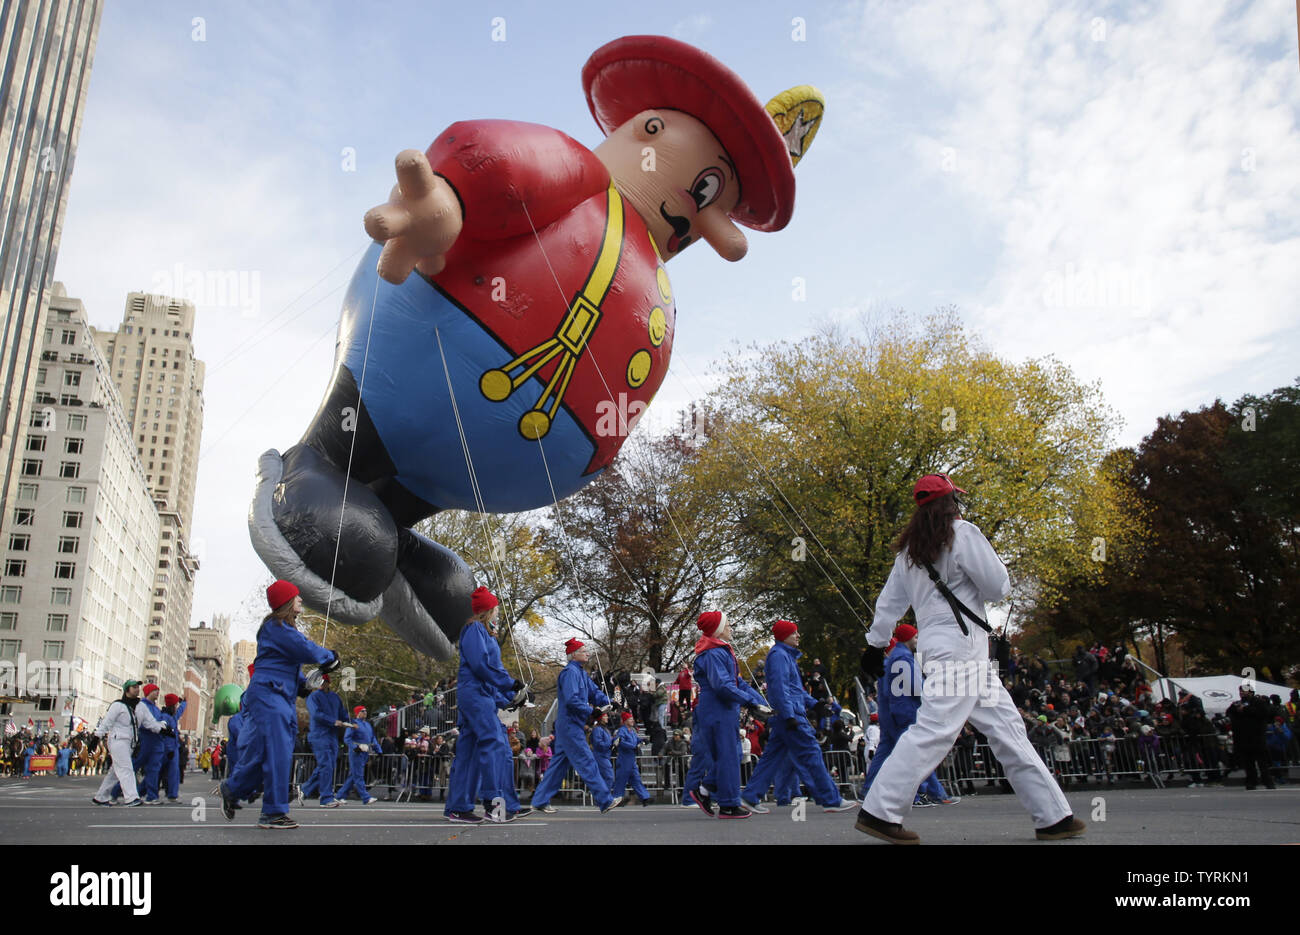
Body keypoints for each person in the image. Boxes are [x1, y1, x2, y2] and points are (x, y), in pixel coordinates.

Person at [856, 473, 1083, 844]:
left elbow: (889, 604)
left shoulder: (909, 552)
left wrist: (875, 643)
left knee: (1008, 730)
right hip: (965, 648)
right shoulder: (963, 534)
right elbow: (998, 587)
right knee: (935, 729)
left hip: (940, 646)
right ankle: (880, 811)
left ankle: (1053, 816)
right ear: (951, 502)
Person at [220, 580, 339, 830]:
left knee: (261, 754)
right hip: (270, 697)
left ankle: (232, 788)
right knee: (277, 752)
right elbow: (303, 648)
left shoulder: (279, 630)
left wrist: (303, 685)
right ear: (286, 601)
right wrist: (329, 657)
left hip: (275, 696)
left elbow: (284, 663)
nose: (301, 600)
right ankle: (273, 813)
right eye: (297, 597)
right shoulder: (277, 627)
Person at [740, 620, 855, 813]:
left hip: (787, 714)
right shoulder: (780, 656)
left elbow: (793, 689)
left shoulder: (784, 656)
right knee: (811, 753)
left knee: (772, 758)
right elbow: (780, 688)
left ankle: (750, 797)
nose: (798, 635)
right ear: (785, 636)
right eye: (794, 633)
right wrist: (789, 715)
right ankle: (830, 798)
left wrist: (815, 704)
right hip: (790, 715)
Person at [444, 587, 530, 823]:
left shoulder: (481, 633)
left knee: (469, 753)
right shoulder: (473, 630)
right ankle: (495, 805)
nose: (498, 613)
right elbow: (482, 666)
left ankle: (459, 807)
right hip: (475, 696)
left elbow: (489, 672)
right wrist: (510, 685)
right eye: (496, 609)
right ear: (489, 610)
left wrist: (509, 696)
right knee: (494, 744)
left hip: (480, 695)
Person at [683, 611, 770, 819]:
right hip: (717, 708)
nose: (731, 628)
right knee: (729, 755)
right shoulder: (713, 653)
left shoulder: (719, 650)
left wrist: (759, 701)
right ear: (718, 630)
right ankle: (726, 803)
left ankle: (708, 793)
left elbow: (736, 682)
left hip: (722, 708)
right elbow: (723, 685)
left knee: (732, 755)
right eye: (728, 625)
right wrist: (750, 701)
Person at [530, 638, 620, 814]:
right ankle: (604, 799)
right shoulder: (571, 673)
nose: (587, 653)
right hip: (571, 725)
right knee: (586, 761)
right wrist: (590, 711)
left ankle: (540, 800)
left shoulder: (579, 673)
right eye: (584, 650)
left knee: (558, 765)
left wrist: (609, 702)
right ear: (574, 655)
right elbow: (572, 700)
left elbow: (594, 693)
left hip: (569, 725)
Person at [92, 680, 173, 806]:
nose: (137, 689)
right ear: (127, 690)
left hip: (130, 743)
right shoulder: (118, 705)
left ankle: (101, 796)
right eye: (134, 687)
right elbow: (106, 722)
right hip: (117, 740)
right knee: (126, 769)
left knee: (115, 772)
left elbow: (150, 723)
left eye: (138, 687)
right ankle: (131, 797)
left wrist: (163, 729)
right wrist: (96, 737)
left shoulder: (141, 707)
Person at [300, 674, 353, 807]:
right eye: (319, 682)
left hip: (332, 736)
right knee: (326, 765)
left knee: (329, 765)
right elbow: (316, 714)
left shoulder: (335, 697)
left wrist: (351, 722)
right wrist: (333, 721)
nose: (321, 684)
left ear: (328, 682)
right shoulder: (313, 697)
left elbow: (342, 713)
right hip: (319, 735)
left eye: (323, 682)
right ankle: (325, 797)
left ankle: (305, 789)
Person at [1226, 683, 1275, 790]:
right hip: (1243, 738)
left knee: (1262, 762)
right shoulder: (1237, 703)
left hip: (1257, 737)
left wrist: (1246, 710)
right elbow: (1229, 713)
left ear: (1251, 692)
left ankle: (1268, 781)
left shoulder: (1258, 702)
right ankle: (1251, 782)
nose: (1242, 693)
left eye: (1244, 691)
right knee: (1248, 763)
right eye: (1240, 691)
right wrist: (1236, 710)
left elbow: (1265, 713)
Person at [337, 706, 380, 804]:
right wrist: (354, 747)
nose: (365, 712)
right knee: (358, 775)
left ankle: (340, 796)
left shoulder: (368, 725)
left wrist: (379, 750)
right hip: (356, 752)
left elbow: (372, 738)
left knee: (353, 776)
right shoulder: (354, 724)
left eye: (365, 710)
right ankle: (365, 797)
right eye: (362, 711)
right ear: (357, 713)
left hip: (365, 752)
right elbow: (347, 738)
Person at [613, 712, 651, 806]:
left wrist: (643, 740)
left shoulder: (632, 731)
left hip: (631, 758)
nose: (632, 720)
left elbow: (636, 739)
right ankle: (617, 799)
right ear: (625, 721)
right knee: (621, 780)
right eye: (630, 719)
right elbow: (620, 742)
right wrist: (633, 746)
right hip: (624, 759)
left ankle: (644, 798)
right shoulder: (622, 731)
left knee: (636, 778)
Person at [157, 693, 187, 802]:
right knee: (160, 772)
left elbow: (180, 711)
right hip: (167, 749)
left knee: (172, 773)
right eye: (175, 705)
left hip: (172, 748)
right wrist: (169, 749)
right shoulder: (165, 717)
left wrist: (184, 703)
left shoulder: (172, 716)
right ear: (172, 706)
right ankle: (150, 793)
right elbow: (164, 732)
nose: (176, 708)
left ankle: (172, 794)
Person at [591, 709, 615, 794]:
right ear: (601, 718)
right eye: (605, 716)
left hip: (604, 755)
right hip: (601, 756)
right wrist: (610, 743)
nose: (607, 717)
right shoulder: (598, 729)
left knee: (605, 777)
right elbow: (598, 743)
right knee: (609, 776)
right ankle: (605, 797)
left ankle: (602, 796)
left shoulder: (604, 729)